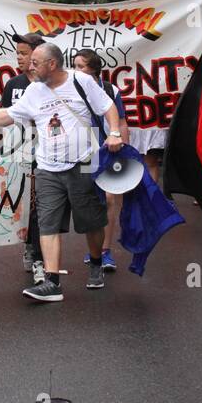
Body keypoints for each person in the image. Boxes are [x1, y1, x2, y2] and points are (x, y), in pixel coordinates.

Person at [0, 42, 124, 302]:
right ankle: (52, 282)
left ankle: (97, 262)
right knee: (47, 224)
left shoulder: (81, 81)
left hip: (83, 163)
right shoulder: (33, 91)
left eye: (35, 62)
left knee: (90, 222)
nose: (30, 67)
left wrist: (114, 133)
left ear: (52, 64)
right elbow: (9, 115)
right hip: (47, 167)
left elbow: (108, 107)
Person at [73, 48, 130, 273]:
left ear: (94, 69)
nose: (76, 71)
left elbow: (122, 121)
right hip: (84, 151)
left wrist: (124, 149)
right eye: (74, 66)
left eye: (81, 66)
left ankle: (105, 252)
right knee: (91, 201)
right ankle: (95, 249)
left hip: (108, 149)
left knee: (108, 199)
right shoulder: (71, 89)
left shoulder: (109, 89)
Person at [0, 33, 46, 280]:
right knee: (25, 205)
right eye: (17, 53)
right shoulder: (13, 84)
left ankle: (40, 258)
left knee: (42, 207)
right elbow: (5, 118)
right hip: (19, 151)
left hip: (47, 154)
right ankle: (30, 246)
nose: (19, 58)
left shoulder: (51, 84)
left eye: (24, 53)